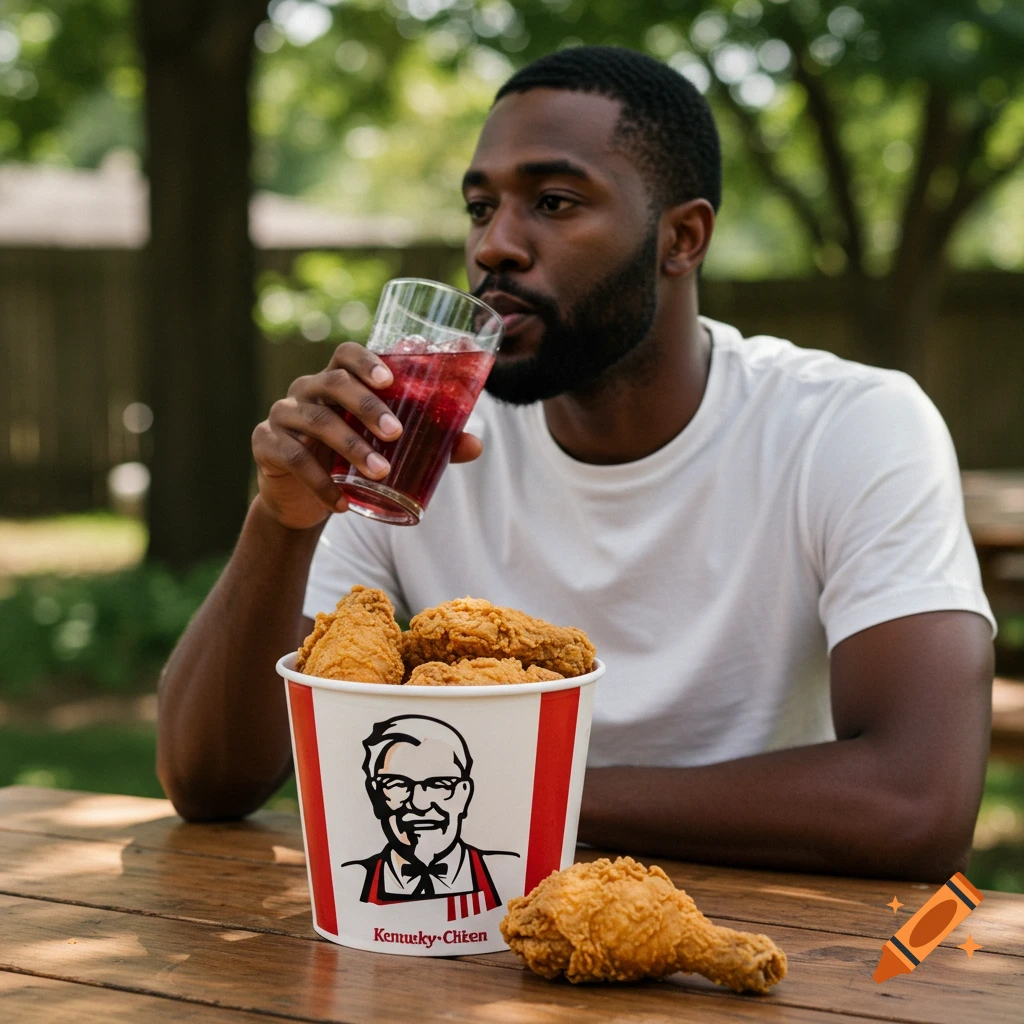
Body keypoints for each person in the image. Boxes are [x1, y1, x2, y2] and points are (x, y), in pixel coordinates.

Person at [157, 46, 995, 882]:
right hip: (466, 937)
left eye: (554, 202)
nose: (496, 246)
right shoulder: (416, 443)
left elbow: (915, 803)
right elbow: (210, 782)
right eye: (480, 208)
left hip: (788, 947)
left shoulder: (845, 426)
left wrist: (508, 791)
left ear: (682, 238)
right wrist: (281, 523)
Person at [344, 715, 514, 913]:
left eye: (439, 784)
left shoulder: (507, 872)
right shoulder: (348, 878)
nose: (420, 804)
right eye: (397, 783)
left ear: (464, 793)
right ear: (375, 794)